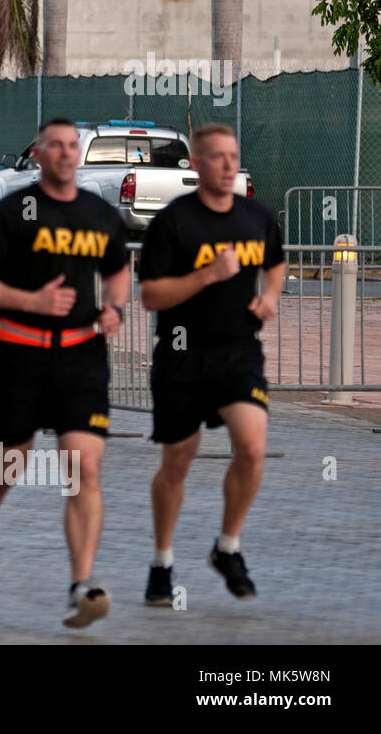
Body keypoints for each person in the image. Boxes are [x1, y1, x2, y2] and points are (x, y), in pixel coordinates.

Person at [0, 118, 129, 628]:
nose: (66, 153)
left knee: (84, 466)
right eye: (56, 145)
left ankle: (82, 585)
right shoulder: (12, 212)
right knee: (12, 461)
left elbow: (118, 268)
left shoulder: (99, 214)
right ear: (38, 152)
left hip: (80, 354)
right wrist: (30, 300)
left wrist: (115, 306)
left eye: (74, 145)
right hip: (18, 353)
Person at [139, 123, 284, 605]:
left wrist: (270, 296)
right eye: (217, 157)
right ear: (195, 164)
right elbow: (151, 295)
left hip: (239, 351)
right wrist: (207, 275)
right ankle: (162, 563)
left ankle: (228, 547)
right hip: (181, 355)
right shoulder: (174, 223)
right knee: (178, 462)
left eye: (232, 156)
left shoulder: (257, 217)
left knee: (253, 446)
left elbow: (276, 260)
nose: (227, 166)